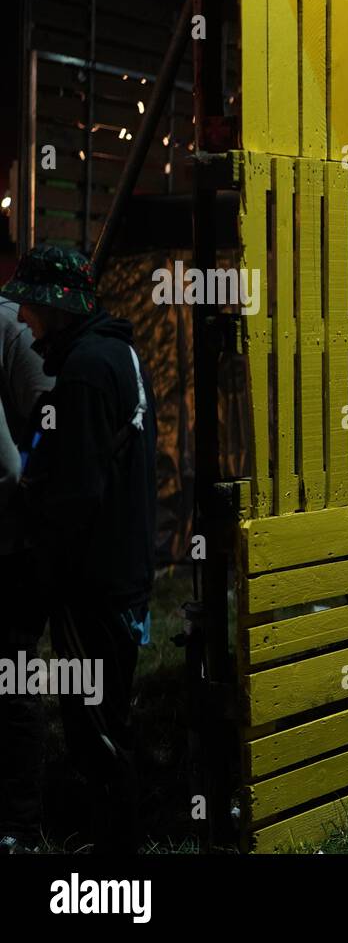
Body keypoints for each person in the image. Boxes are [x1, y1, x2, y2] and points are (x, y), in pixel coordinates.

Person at [2, 245, 157, 854]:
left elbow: (77, 492)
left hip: (96, 581)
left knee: (97, 727)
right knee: (105, 712)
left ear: (55, 306)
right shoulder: (116, 353)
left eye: (32, 307)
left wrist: (42, 563)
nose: (24, 320)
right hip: (121, 574)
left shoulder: (88, 371)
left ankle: (117, 851)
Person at [0, 292, 53, 855]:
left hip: (14, 542)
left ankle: (20, 820)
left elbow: (46, 426)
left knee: (12, 670)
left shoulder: (11, 327)